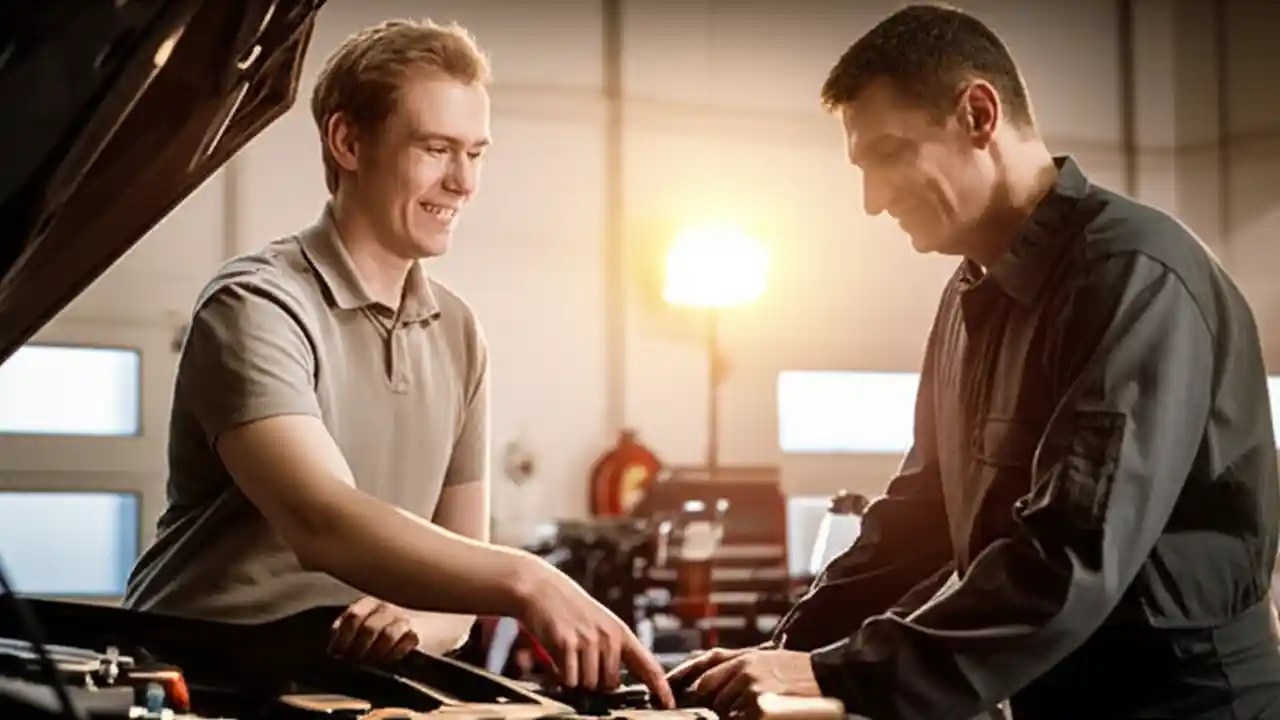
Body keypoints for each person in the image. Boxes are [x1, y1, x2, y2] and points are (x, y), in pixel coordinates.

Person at [669, 4, 1280, 719]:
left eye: (890, 155)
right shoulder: (970, 293)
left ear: (979, 115)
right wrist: (782, 655)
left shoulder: (1133, 277)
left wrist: (838, 674)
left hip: (1187, 707)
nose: (872, 202)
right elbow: (919, 520)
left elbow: (1069, 558)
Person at [122, 18, 673, 706]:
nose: (463, 181)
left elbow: (460, 598)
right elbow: (321, 519)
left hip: (351, 688)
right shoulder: (256, 304)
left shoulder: (459, 331)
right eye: (436, 148)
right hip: (202, 683)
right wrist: (530, 579)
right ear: (348, 141)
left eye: (476, 152)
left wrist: (417, 621)